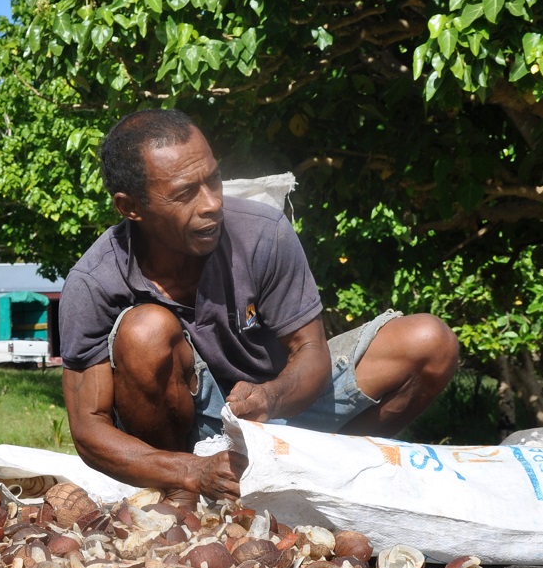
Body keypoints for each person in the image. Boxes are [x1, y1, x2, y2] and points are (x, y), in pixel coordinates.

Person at [59, 109, 459, 497]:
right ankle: (183, 499)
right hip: (185, 445)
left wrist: (271, 395)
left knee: (430, 343)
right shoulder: (95, 282)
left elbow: (311, 351)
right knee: (145, 331)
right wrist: (190, 472)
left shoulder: (263, 234)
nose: (211, 203)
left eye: (212, 179)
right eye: (185, 193)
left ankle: (333, 476)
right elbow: (88, 430)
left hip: (279, 411)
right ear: (131, 207)